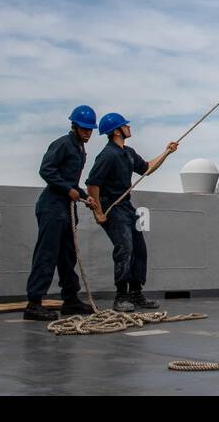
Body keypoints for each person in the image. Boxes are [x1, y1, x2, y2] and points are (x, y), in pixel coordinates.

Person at [86, 113, 178, 312]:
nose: (129, 127)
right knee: (124, 248)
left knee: (138, 249)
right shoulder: (107, 155)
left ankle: (136, 293)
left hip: (127, 207)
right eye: (125, 125)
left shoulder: (127, 152)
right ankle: (121, 296)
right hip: (113, 207)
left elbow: (146, 168)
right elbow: (92, 184)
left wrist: (166, 152)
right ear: (117, 131)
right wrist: (99, 213)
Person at [24, 105, 100, 321]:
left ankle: (70, 300)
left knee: (67, 256)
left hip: (66, 209)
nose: (87, 132)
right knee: (47, 254)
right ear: (74, 126)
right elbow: (46, 170)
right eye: (84, 128)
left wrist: (84, 195)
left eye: (90, 129)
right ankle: (34, 303)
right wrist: (69, 190)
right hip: (52, 207)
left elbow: (71, 182)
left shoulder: (79, 148)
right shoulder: (63, 144)